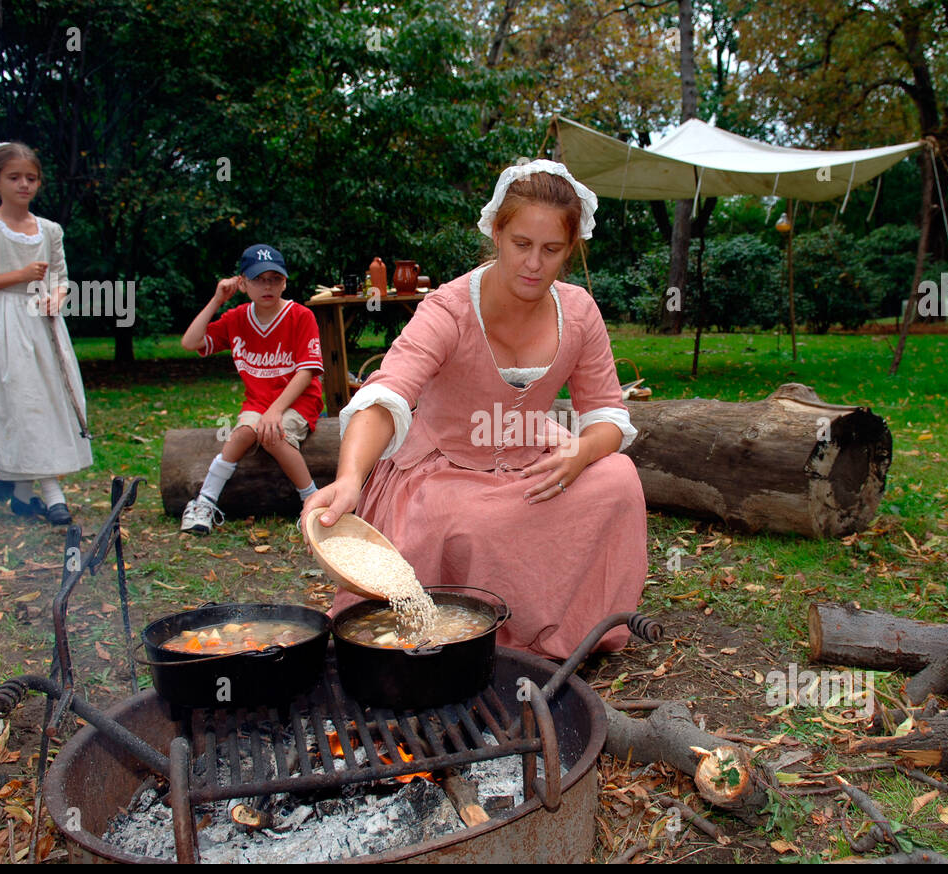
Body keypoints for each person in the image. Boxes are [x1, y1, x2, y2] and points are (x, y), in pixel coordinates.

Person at [304, 159, 647, 659]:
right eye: (521, 245)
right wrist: (351, 478)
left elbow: (608, 416)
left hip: (536, 463)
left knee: (618, 480)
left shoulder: (578, 311)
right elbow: (388, 393)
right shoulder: (449, 308)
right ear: (496, 232)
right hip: (447, 469)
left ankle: (567, 632)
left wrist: (583, 452)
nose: (534, 264)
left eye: (551, 250)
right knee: (470, 521)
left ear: (571, 249)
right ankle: (479, 638)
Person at [0, 141, 91, 525]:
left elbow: (61, 277)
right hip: (2, 320)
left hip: (41, 322)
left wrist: (56, 295)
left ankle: (21, 494)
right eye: (14, 177)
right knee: (19, 400)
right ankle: (52, 493)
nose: (24, 185)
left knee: (48, 398)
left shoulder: (49, 230)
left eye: (31, 178)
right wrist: (20, 276)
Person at [179, 244, 324, 534]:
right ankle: (204, 501)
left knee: (272, 435)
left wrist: (275, 411)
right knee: (244, 432)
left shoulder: (300, 315)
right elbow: (190, 342)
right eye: (258, 279)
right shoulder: (237, 318)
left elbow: (307, 372)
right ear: (242, 284)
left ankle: (312, 502)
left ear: (285, 282)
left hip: (299, 400)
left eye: (275, 279)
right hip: (258, 402)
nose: (267, 286)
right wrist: (217, 299)